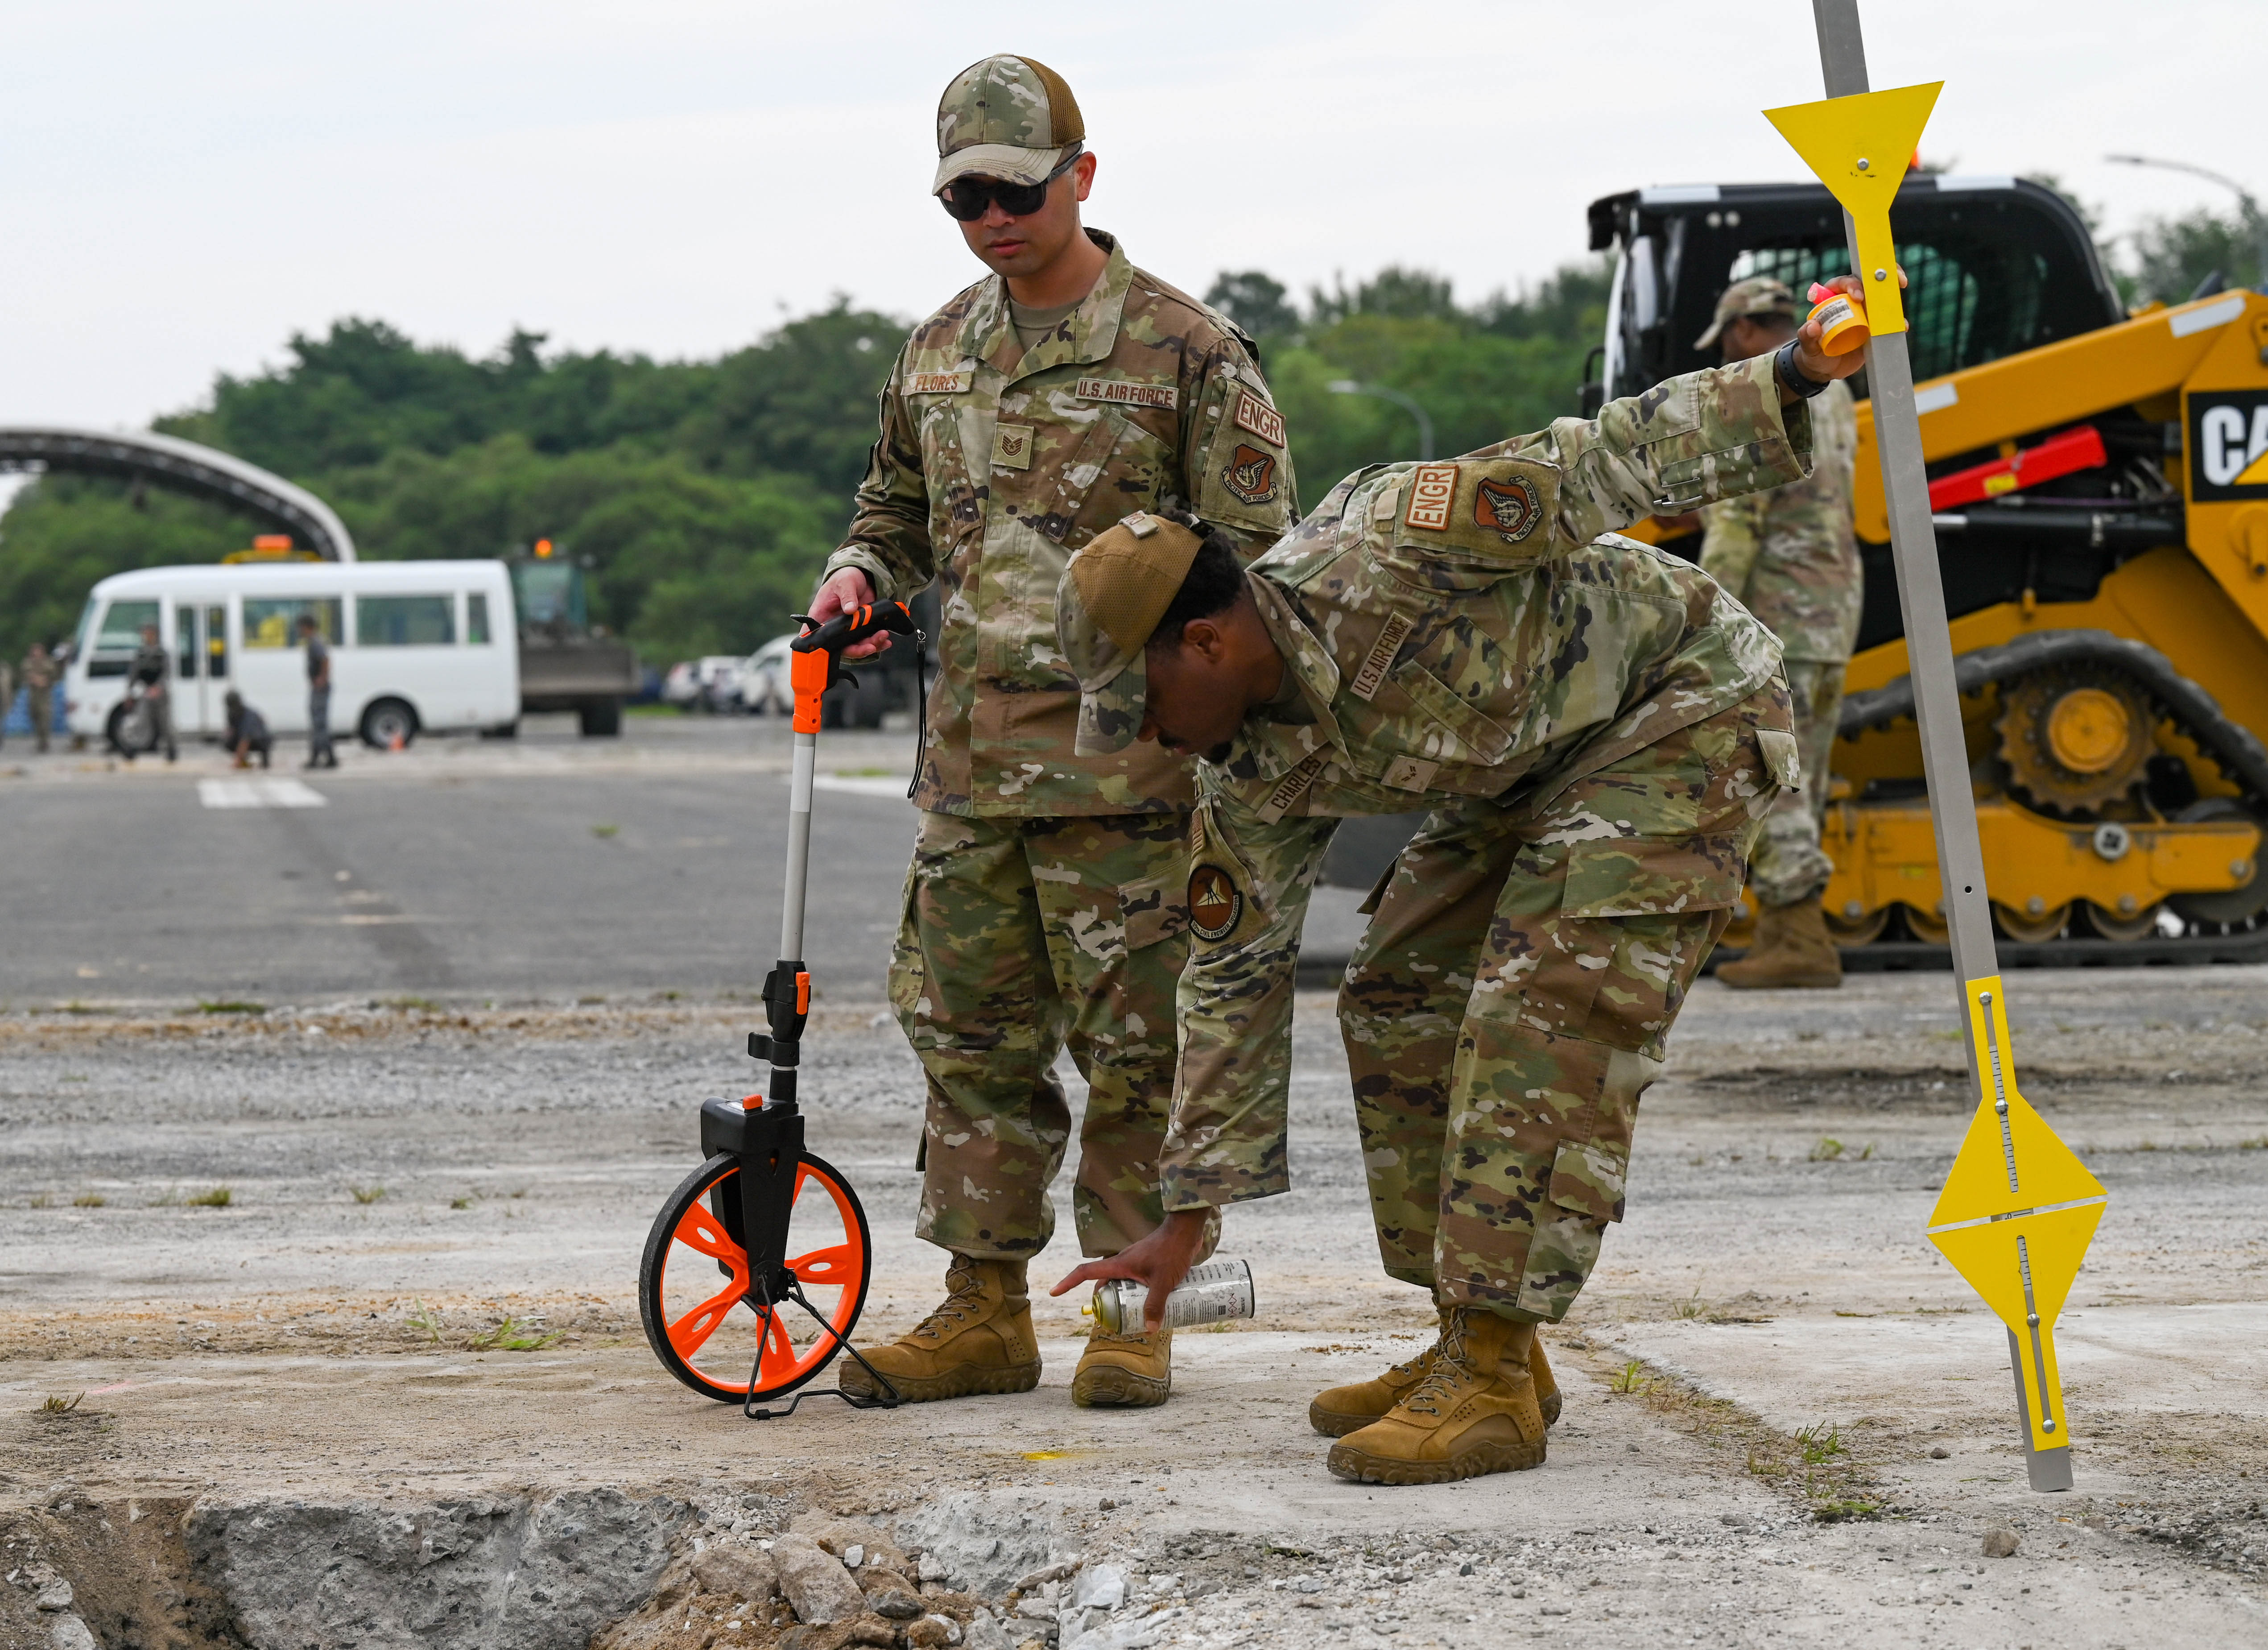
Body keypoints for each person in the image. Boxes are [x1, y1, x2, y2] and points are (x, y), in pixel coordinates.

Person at [1050, 285, 1874, 1483]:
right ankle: (1472, 1341)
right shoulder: (1247, 770)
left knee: (1540, 1001)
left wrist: (1790, 375)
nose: (1145, 740)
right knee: (1397, 997)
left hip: (1677, 706)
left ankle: (1488, 1371)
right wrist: (1186, 1221)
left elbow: (1603, 460)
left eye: (1142, 705)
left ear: (1209, 644)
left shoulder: (1390, 541)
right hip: (1529, 768)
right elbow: (1229, 984)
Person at [806, 54, 1298, 1410]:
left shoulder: (1188, 352)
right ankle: (983, 1312)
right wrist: (858, 570)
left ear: (1081, 176)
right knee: (970, 1042)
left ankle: (1132, 1310)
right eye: (962, 198)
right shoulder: (937, 351)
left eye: (1014, 191)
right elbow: (894, 509)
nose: (989, 220)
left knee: (1138, 1049)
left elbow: (1258, 567)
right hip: (971, 777)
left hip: (1128, 780)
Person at [1692, 277, 1863, 989]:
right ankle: (1789, 932)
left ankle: (1800, 942)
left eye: (1732, 339)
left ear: (1742, 331)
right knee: (1807, 779)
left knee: (1768, 778)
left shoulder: (1765, 393)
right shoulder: (1840, 389)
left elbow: (1738, 522)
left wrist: (1698, 622)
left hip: (1775, 619)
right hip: (1835, 604)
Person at [130, 622, 178, 762]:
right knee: (141, 720)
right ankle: (134, 747)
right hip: (146, 691)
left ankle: (171, 749)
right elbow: (134, 673)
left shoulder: (161, 653)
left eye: (150, 634)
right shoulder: (141, 654)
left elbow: (166, 672)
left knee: (165, 723)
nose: (147, 637)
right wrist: (130, 691)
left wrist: (158, 687)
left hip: (160, 693)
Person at [297, 613, 336, 769]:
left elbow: (325, 659)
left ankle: (320, 758)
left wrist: (322, 678)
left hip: (320, 688)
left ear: (307, 627)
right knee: (319, 723)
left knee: (319, 723)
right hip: (318, 687)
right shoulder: (314, 641)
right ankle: (327, 757)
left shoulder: (316, 641)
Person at [20, 641, 57, 754]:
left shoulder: (48, 663)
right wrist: (35, 679)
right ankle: (40, 740)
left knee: (45, 719)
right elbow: (26, 675)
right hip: (33, 696)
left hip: (45, 696)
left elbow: (53, 676)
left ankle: (44, 742)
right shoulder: (28, 663)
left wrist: (45, 681)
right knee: (35, 717)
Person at [223, 691, 273, 768]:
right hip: (245, 738)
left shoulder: (249, 716)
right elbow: (231, 731)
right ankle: (244, 760)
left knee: (257, 740)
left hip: (260, 740)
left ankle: (264, 761)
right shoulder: (232, 714)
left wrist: (238, 761)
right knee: (228, 742)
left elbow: (246, 739)